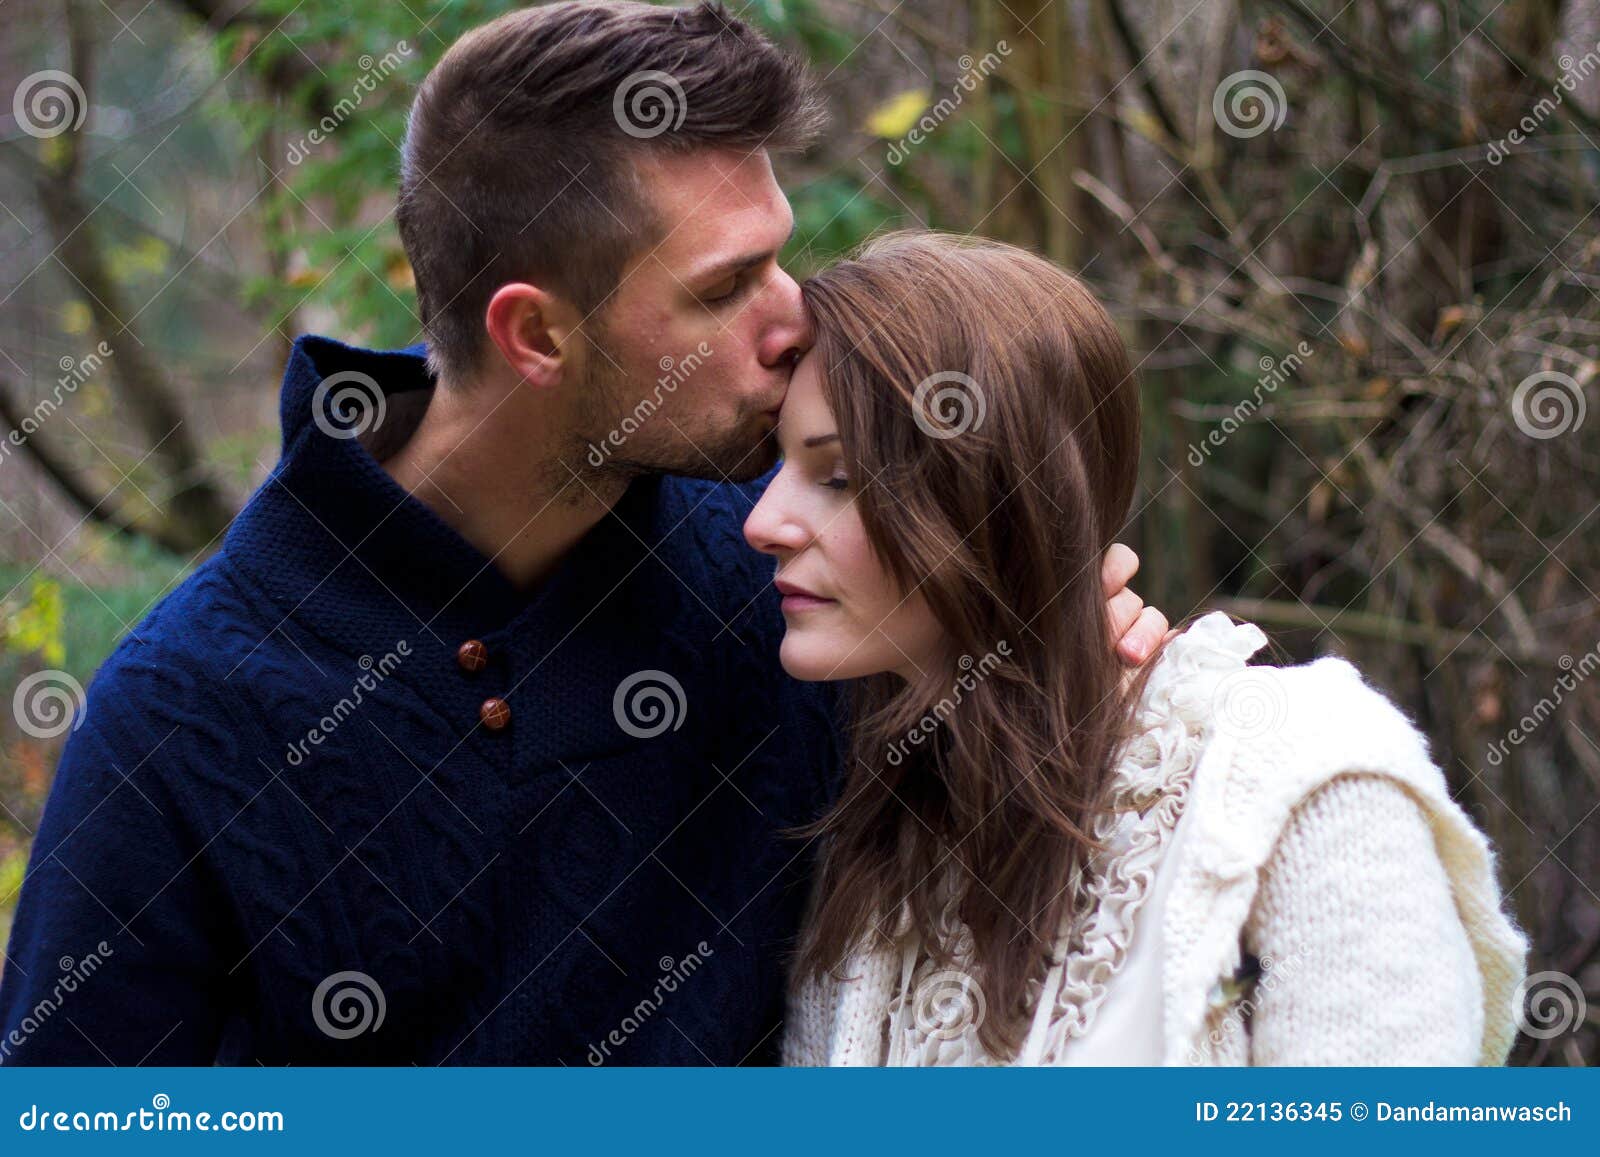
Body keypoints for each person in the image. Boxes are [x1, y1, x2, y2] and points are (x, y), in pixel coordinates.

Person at [0, 4, 1165, 1064]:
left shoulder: (799, 577)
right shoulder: (184, 716)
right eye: (725, 287)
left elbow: (991, 861)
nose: (796, 315)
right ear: (536, 335)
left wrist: (1049, 656)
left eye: (779, 251)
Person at [745, 231, 1531, 1066]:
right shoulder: (880, 835)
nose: (761, 523)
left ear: (993, 500)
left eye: (836, 478)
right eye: (778, 465)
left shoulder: (1301, 782)